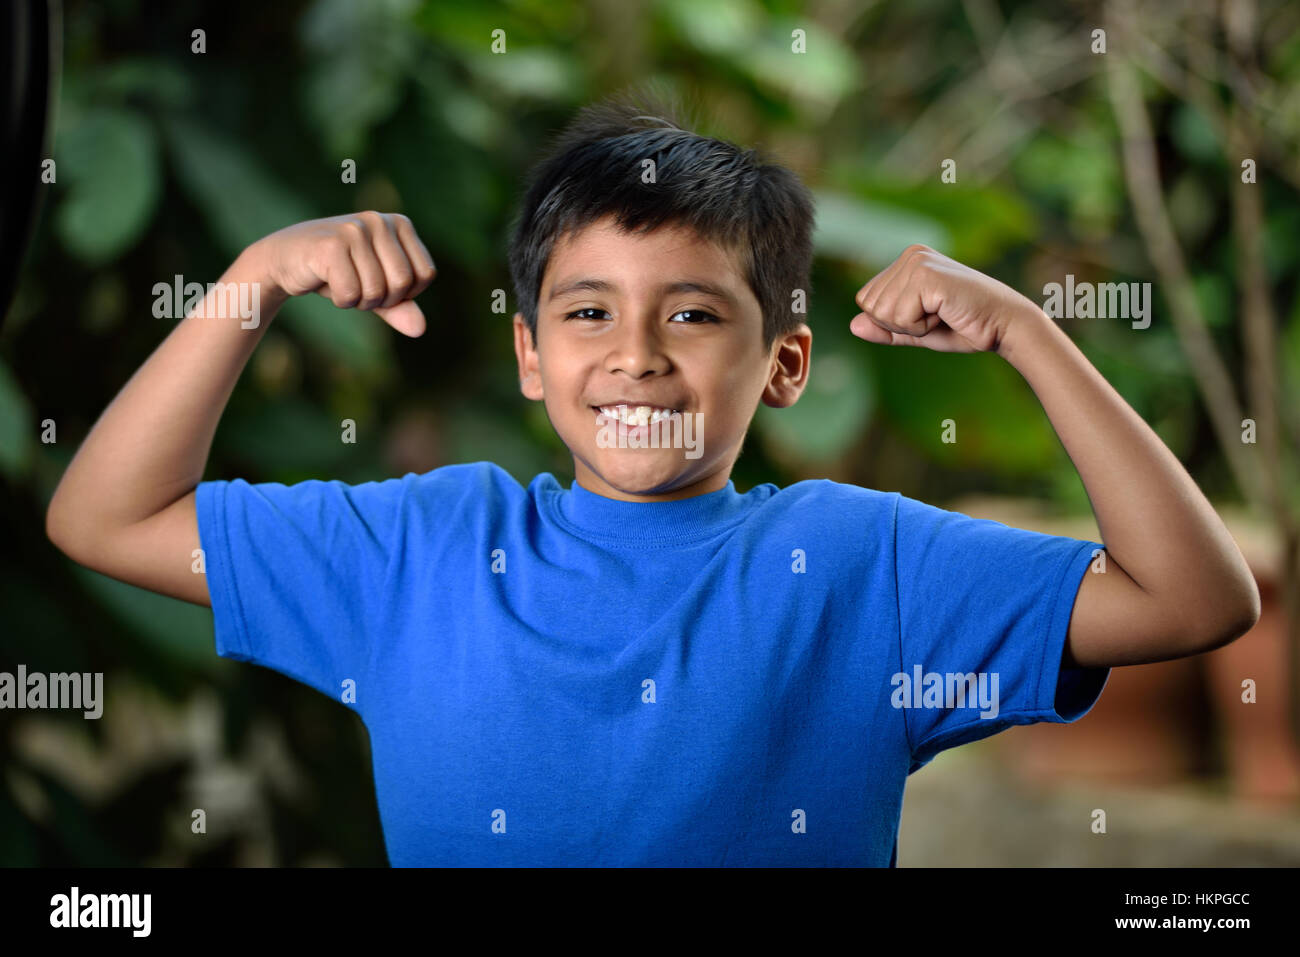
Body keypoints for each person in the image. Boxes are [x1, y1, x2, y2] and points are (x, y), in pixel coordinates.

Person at [45, 93, 1260, 866]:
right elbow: (105, 516)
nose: (633, 353)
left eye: (690, 313)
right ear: (530, 355)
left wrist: (1028, 335)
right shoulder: (416, 546)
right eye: (585, 311)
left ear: (783, 364)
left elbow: (1193, 601)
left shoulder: (862, 562)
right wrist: (255, 279)